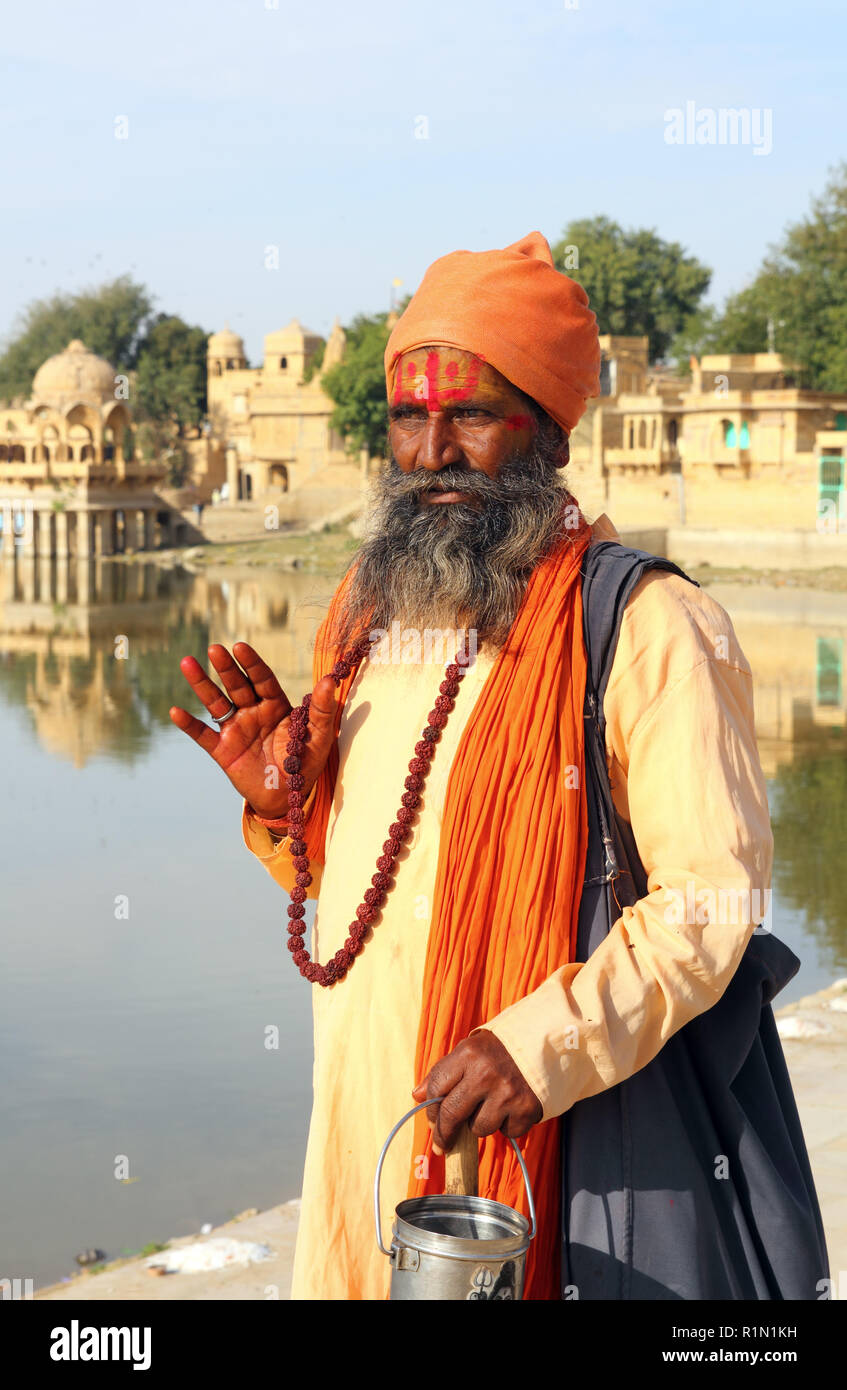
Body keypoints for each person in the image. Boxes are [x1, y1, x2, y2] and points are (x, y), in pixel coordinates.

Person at [169, 231, 828, 1300]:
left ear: (548, 434)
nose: (431, 451)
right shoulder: (368, 613)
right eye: (407, 416)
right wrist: (291, 812)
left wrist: (537, 1046)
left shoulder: (649, 627)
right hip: (366, 1146)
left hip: (547, 1159)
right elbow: (367, 899)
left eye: (470, 414)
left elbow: (709, 906)